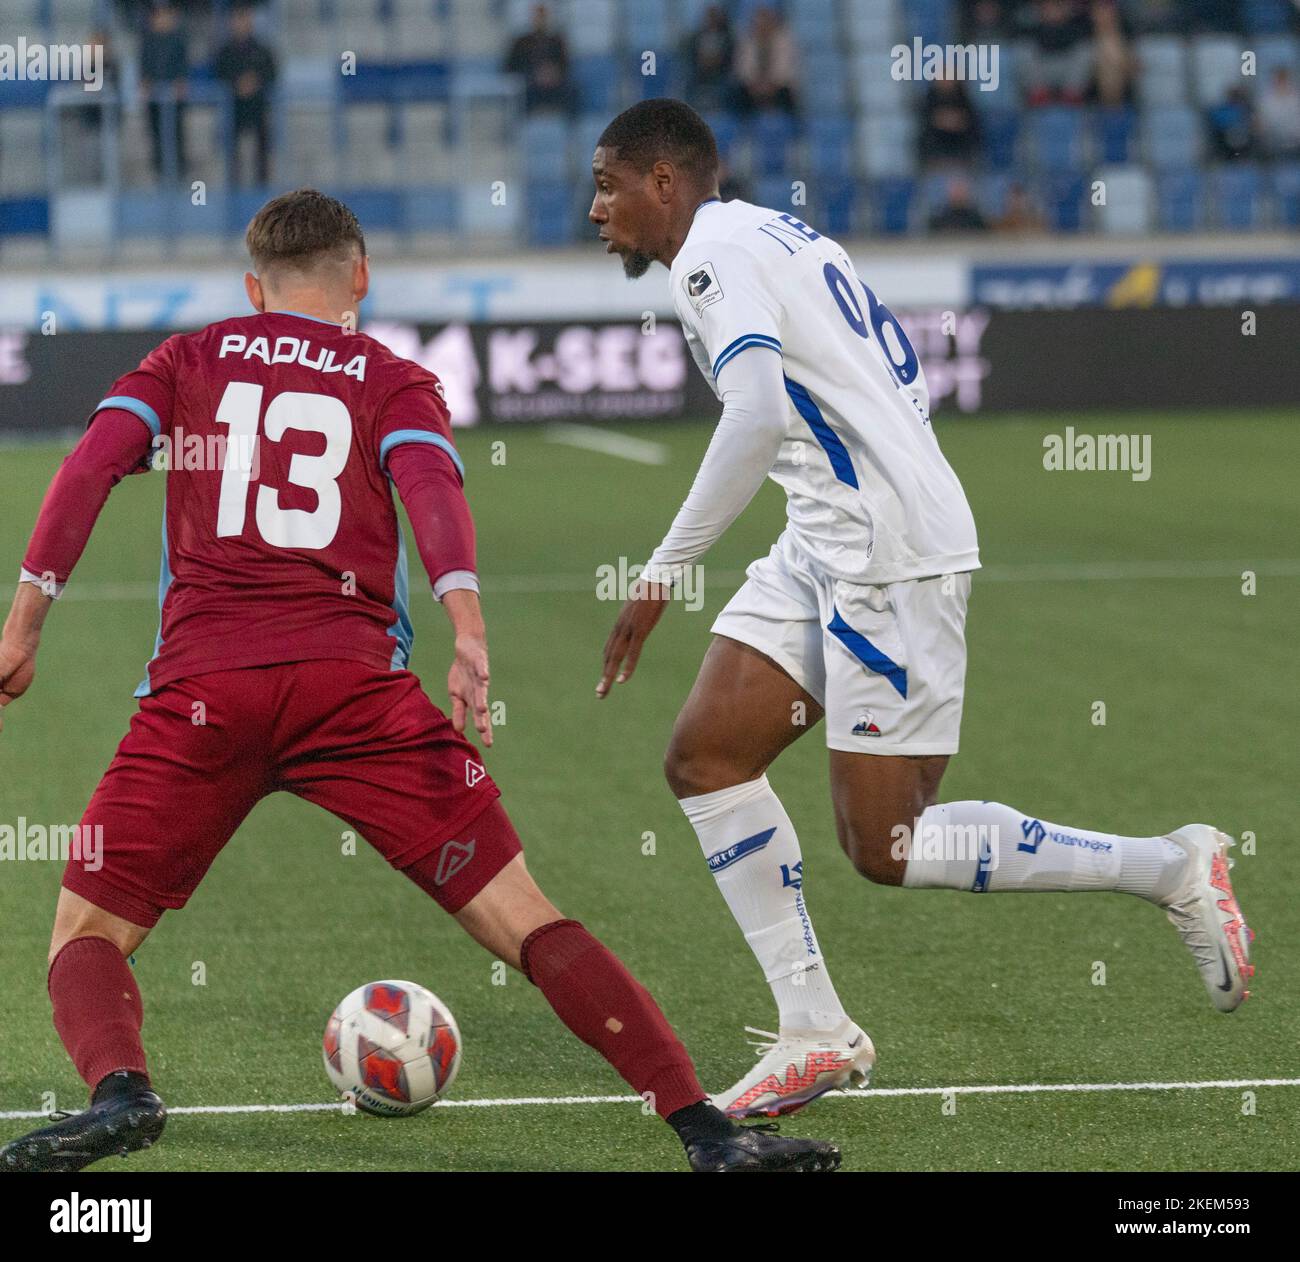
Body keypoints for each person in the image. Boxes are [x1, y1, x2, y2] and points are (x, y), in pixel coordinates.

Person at [0, 189, 839, 1175]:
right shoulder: (390, 375)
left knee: (86, 930)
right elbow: (429, 487)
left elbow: (92, 463)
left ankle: (119, 1091)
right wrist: (468, 624)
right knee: (525, 919)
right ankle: (705, 1130)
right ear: (358, 277)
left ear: (250, 286)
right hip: (353, 692)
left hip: (202, 692)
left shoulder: (185, 360)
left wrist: (24, 624)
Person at [587, 98, 1254, 1118]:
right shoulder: (771, 230)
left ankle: (1170, 866)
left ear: (663, 181)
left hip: (885, 554)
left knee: (886, 844)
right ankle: (812, 1029)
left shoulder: (708, 258)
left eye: (608, 184)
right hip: (829, 534)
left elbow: (756, 413)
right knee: (705, 757)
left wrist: (657, 575)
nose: (596, 208)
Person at [214, 5, 278, 187]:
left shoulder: (263, 49)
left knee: (261, 149)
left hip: (257, 106)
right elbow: (220, 72)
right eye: (237, 20)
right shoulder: (225, 51)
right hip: (235, 107)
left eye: (245, 19)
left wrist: (255, 81)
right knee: (233, 150)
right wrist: (237, 84)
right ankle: (234, 187)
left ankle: (262, 186)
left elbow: (272, 71)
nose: (241, 24)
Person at [139, 2, 189, 178]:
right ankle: (159, 173)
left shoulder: (178, 41)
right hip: (154, 100)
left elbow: (183, 69)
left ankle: (179, 173)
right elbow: (144, 69)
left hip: (174, 100)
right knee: (156, 136)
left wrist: (179, 83)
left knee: (176, 135)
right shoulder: (147, 42)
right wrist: (146, 84)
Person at [502, 2, 574, 115]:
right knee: (522, 93)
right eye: (537, 16)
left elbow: (565, 64)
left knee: (573, 89)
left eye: (543, 16)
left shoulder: (557, 40)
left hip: (554, 84)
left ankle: (570, 128)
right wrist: (533, 75)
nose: (540, 19)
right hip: (530, 84)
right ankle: (524, 127)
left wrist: (554, 73)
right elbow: (509, 67)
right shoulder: (521, 42)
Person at [734, 5, 799, 117]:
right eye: (759, 23)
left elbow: (785, 67)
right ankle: (744, 127)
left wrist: (771, 84)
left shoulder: (784, 41)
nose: (762, 26)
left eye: (765, 22)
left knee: (787, 93)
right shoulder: (747, 41)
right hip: (754, 85)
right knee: (737, 92)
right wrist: (753, 83)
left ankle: (791, 127)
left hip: (778, 85)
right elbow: (742, 67)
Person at [682, 4, 738, 114]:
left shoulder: (728, 37)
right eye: (709, 16)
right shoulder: (696, 37)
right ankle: (689, 113)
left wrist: (717, 62)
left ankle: (724, 115)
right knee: (688, 81)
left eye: (714, 16)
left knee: (730, 85)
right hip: (700, 72)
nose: (711, 19)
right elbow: (691, 56)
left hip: (722, 72)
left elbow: (731, 58)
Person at [1257, 67, 1300, 160]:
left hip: (1295, 138)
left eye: (1283, 80)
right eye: (1278, 80)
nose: (1281, 83)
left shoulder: (1296, 97)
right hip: (1273, 139)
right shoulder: (1266, 99)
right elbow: (1263, 121)